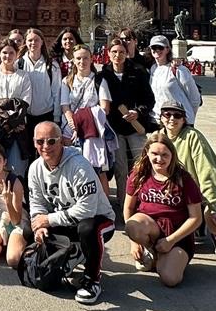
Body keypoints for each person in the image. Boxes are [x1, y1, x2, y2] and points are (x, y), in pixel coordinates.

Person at [25, 121, 116, 305]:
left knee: (87, 229)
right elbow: (37, 203)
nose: (45, 147)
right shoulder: (35, 168)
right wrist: (39, 225)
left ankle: (92, 280)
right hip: (66, 219)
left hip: (99, 220)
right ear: (34, 143)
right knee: (30, 230)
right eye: (40, 141)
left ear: (61, 142)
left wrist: (48, 219)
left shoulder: (79, 165)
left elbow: (86, 210)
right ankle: (75, 253)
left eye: (51, 141)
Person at [124, 130, 203, 286]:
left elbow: (196, 218)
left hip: (177, 235)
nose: (159, 159)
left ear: (172, 155)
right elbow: (128, 208)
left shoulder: (183, 179)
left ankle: (162, 258)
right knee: (132, 226)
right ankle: (152, 250)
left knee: (170, 279)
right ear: (147, 152)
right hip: (150, 227)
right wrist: (135, 242)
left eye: (165, 155)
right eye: (155, 153)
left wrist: (170, 241)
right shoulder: (139, 174)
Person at [159, 100, 216, 259]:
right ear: (161, 117)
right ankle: (196, 226)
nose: (172, 118)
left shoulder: (193, 137)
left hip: (201, 191)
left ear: (184, 119)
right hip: (174, 193)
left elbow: (207, 172)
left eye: (177, 115)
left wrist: (214, 205)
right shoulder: (157, 138)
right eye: (167, 114)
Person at [96, 37, 155, 214]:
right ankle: (125, 207)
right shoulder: (103, 75)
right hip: (115, 129)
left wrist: (138, 111)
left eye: (121, 52)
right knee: (121, 169)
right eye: (114, 52)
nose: (118, 55)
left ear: (126, 53)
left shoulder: (138, 72)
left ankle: (143, 203)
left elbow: (149, 99)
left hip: (136, 126)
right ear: (108, 53)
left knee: (142, 166)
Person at [60, 44, 112, 195]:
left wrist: (83, 119)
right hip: (71, 131)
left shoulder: (98, 81)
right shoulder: (67, 81)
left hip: (92, 131)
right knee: (72, 168)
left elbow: (105, 108)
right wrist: (73, 126)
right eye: (78, 58)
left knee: (97, 170)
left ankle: (104, 209)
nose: (82, 61)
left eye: (85, 58)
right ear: (74, 61)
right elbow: (65, 106)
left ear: (91, 59)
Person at [0, 38, 32, 177]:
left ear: (16, 55)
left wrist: (14, 122)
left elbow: (25, 102)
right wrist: (3, 118)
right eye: (4, 53)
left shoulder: (23, 76)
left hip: (17, 127)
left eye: (11, 53)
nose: (7, 56)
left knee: (16, 168)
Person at [22, 27, 61, 162]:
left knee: (46, 154)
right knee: (27, 154)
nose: (33, 43)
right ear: (25, 42)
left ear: (42, 42)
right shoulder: (19, 64)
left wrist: (56, 117)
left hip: (46, 115)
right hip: (26, 118)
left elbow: (56, 92)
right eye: (30, 40)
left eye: (36, 40)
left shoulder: (52, 65)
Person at [148, 35, 201, 125]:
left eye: (160, 47)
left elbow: (195, 98)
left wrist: (188, 119)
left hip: (179, 121)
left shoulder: (179, 69)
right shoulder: (153, 69)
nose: (157, 50)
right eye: (154, 47)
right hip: (159, 120)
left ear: (167, 49)